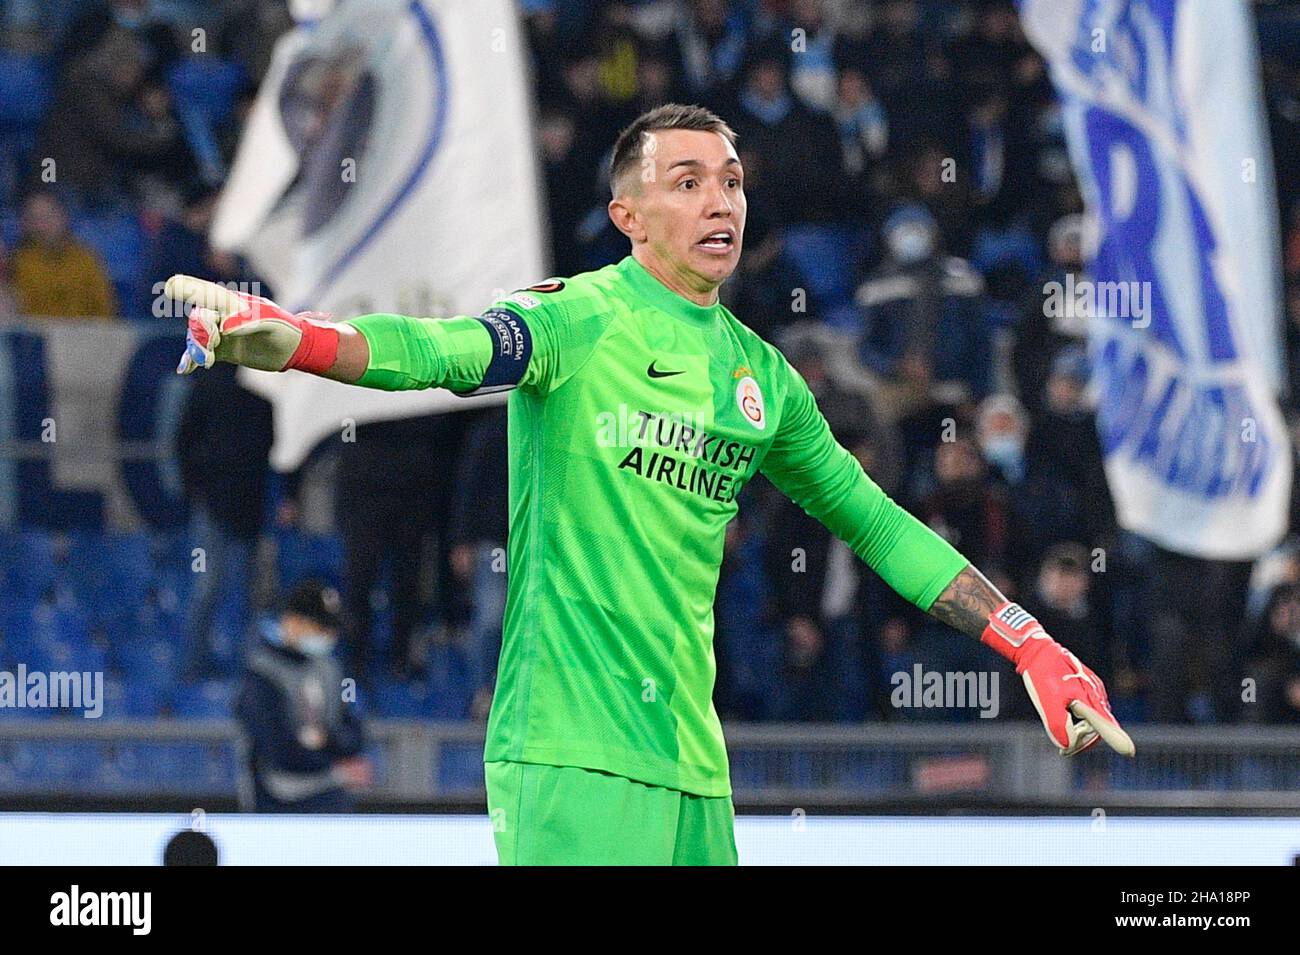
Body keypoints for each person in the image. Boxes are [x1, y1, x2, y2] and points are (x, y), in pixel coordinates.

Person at [168, 103, 1131, 865]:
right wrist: (302, 341)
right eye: (688, 182)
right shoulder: (576, 319)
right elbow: (442, 352)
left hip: (694, 765)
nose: (722, 202)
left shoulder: (763, 379)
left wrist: (1029, 641)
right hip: (571, 750)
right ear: (628, 216)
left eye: (733, 182)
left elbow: (878, 525)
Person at [233, 579, 371, 813]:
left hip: (331, 795)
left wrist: (324, 740)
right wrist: (335, 768)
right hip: (277, 801)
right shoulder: (261, 675)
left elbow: (354, 733)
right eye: (320, 627)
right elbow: (279, 750)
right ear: (292, 622)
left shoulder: (330, 669)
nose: (329, 636)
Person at [11, 191, 117, 319]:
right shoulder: (17, 263)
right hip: (35, 336)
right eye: (34, 219)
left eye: (48, 217)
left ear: (63, 217)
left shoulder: (87, 259)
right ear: (25, 224)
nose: (42, 226)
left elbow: (105, 310)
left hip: (83, 335)